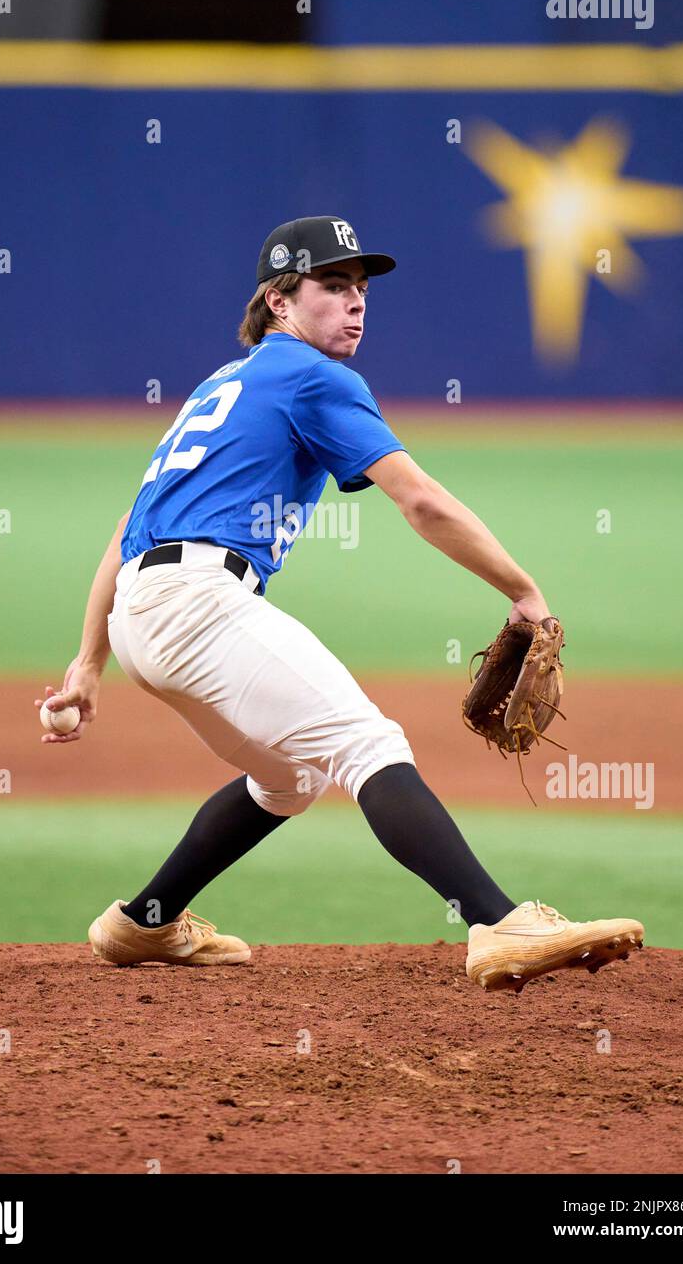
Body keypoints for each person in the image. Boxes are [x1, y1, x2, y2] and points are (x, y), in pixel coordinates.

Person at [36, 216, 644, 992]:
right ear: (278, 301)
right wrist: (523, 592)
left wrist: (89, 662)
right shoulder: (312, 375)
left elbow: (125, 533)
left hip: (142, 618)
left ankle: (144, 921)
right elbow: (419, 502)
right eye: (333, 286)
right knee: (367, 741)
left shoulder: (225, 383)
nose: (356, 304)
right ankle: (499, 924)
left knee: (290, 777)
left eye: (361, 290)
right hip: (197, 604)